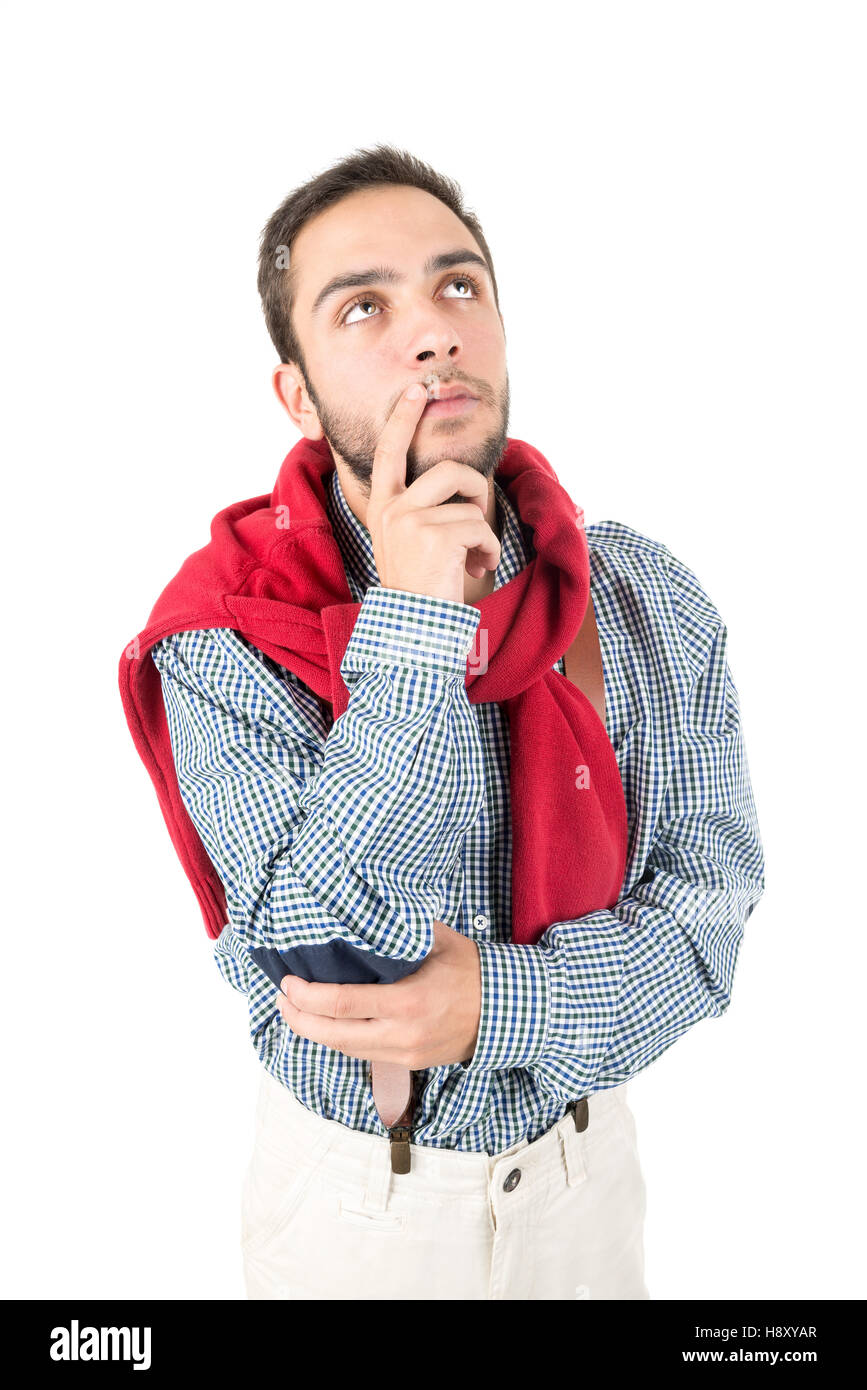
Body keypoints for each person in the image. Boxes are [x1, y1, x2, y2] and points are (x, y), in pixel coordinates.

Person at [120, 144, 765, 1300]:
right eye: (364, 305)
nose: (432, 332)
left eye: (458, 286)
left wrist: (490, 1005)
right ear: (299, 394)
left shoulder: (644, 596)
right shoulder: (223, 634)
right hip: (361, 1209)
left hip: (587, 1182)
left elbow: (709, 919)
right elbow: (315, 953)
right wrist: (415, 619)